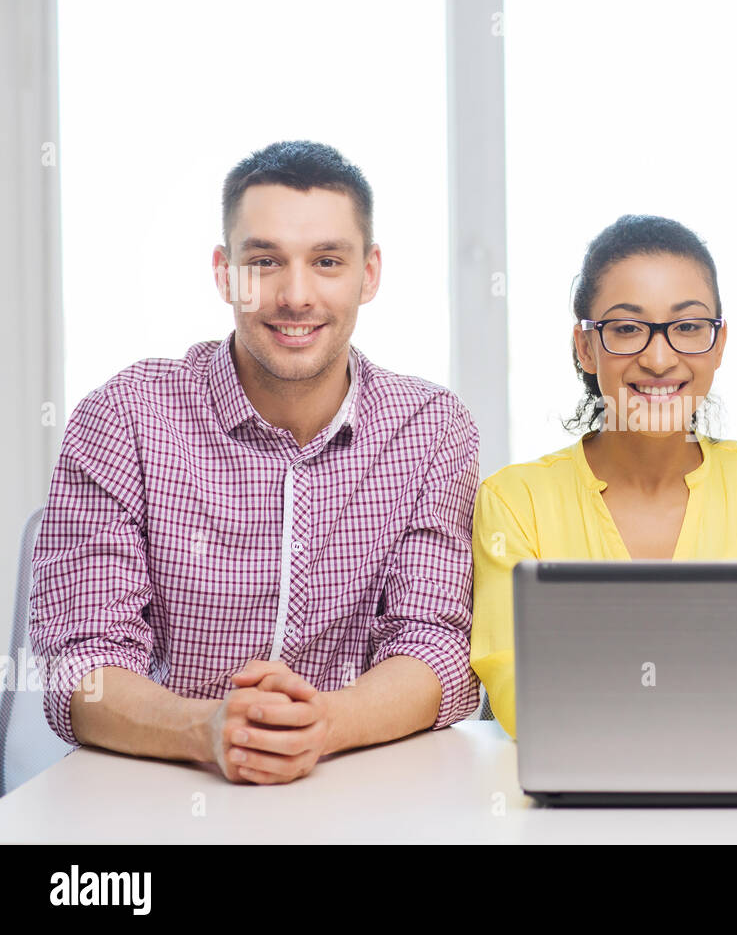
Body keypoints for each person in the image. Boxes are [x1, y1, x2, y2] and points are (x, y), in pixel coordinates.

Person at [29, 141, 480, 784]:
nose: (295, 296)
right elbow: (81, 664)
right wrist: (209, 729)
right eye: (264, 261)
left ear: (369, 273)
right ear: (224, 272)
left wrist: (326, 724)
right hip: (155, 786)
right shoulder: (123, 416)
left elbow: (435, 647)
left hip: (356, 788)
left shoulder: (433, 428)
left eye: (328, 261)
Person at [470, 215, 737, 738]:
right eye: (626, 328)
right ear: (585, 347)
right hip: (576, 802)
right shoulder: (515, 501)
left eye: (687, 327)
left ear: (719, 343)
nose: (659, 358)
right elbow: (523, 695)